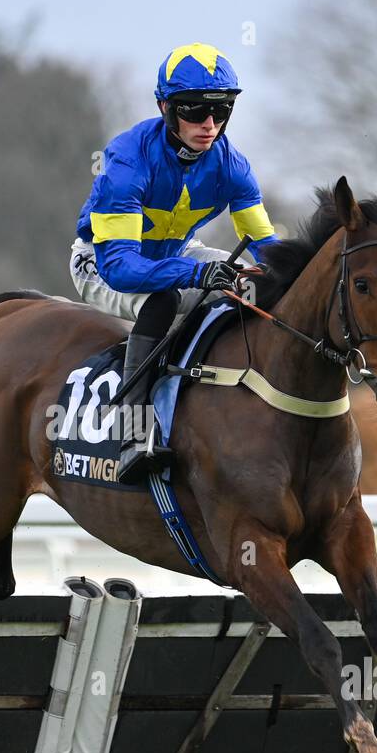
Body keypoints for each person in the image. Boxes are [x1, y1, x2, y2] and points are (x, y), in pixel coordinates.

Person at [71, 42, 279, 483]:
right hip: (102, 260)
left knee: (255, 283)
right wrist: (196, 273)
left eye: (221, 111)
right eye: (194, 111)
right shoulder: (127, 158)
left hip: (177, 252)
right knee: (161, 301)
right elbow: (122, 268)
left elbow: (267, 249)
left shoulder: (232, 165)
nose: (209, 124)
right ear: (164, 107)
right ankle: (132, 434)